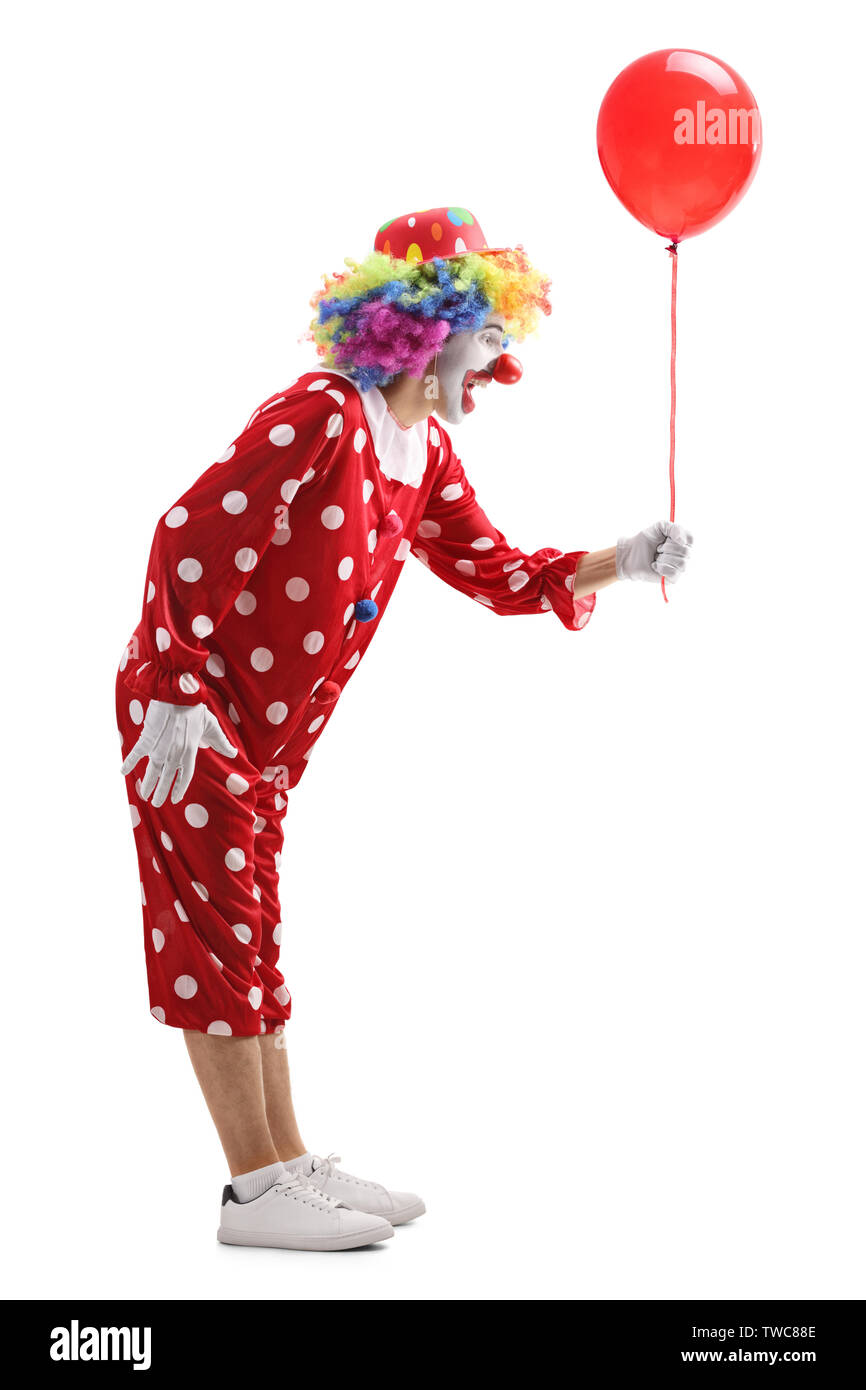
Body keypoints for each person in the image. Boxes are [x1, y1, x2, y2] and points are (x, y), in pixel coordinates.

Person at [116, 206, 694, 1252]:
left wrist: (623, 557)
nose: (498, 359)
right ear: (424, 330)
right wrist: (170, 684)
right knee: (217, 932)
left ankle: (284, 1164)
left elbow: (496, 569)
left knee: (251, 933)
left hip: (262, 737)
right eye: (486, 335)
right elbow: (187, 535)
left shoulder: (414, 447)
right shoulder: (322, 415)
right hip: (191, 711)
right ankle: (252, 1191)